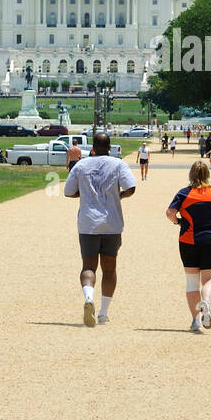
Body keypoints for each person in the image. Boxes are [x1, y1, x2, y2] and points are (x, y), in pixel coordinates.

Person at [64, 132, 136, 326]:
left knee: (88, 266)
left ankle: (88, 297)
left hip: (88, 222)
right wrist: (118, 196)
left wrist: (85, 194)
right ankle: (103, 312)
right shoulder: (118, 164)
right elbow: (131, 188)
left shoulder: (81, 165)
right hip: (112, 222)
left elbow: (68, 191)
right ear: (110, 146)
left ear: (93, 147)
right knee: (109, 268)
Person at [166, 160, 211, 333]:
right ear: (207, 174)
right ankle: (207, 303)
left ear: (191, 175)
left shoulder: (184, 193)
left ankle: (195, 320)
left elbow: (170, 212)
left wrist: (178, 222)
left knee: (192, 282)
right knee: (210, 279)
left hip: (188, 240)